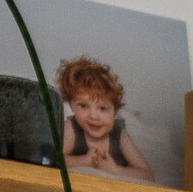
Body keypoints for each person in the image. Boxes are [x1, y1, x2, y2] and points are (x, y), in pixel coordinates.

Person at [56, 53, 159, 181]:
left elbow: (148, 175)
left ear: (115, 112)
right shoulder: (72, 127)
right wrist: (84, 161)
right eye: (83, 106)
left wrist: (115, 170)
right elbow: (55, 160)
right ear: (71, 106)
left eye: (103, 108)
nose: (93, 116)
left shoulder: (118, 134)